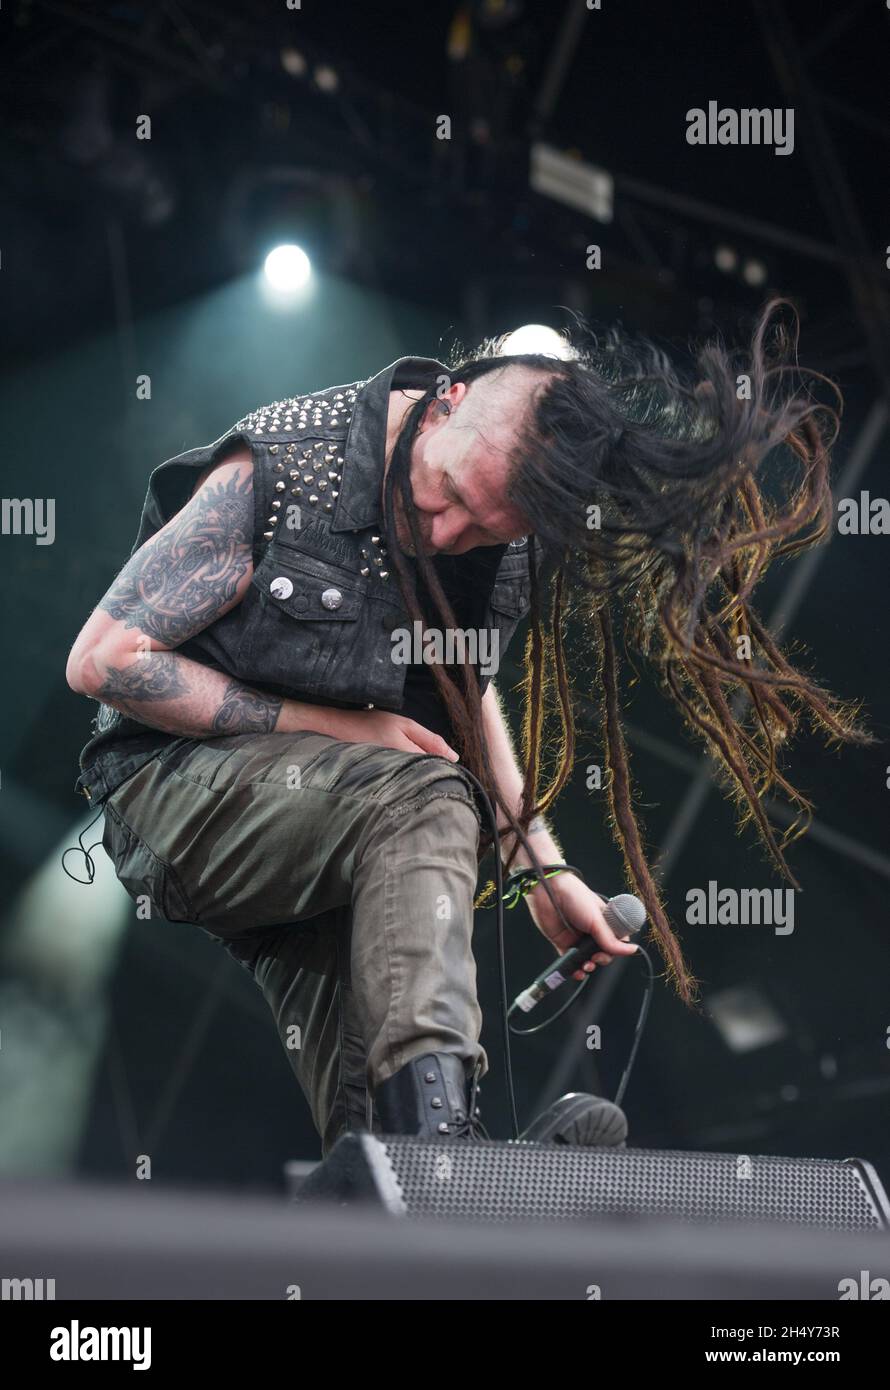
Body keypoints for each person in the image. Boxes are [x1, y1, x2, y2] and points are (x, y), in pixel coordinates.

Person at [66, 302, 869, 1154]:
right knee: (426, 799)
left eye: (485, 526)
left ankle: (431, 1188)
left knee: (374, 1133)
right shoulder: (287, 463)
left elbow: (463, 692)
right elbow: (105, 660)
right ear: (445, 399)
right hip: (173, 793)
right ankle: (446, 1133)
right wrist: (336, 726)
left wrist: (539, 870)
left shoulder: (501, 547)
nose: (450, 532)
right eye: (447, 495)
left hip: (325, 826)